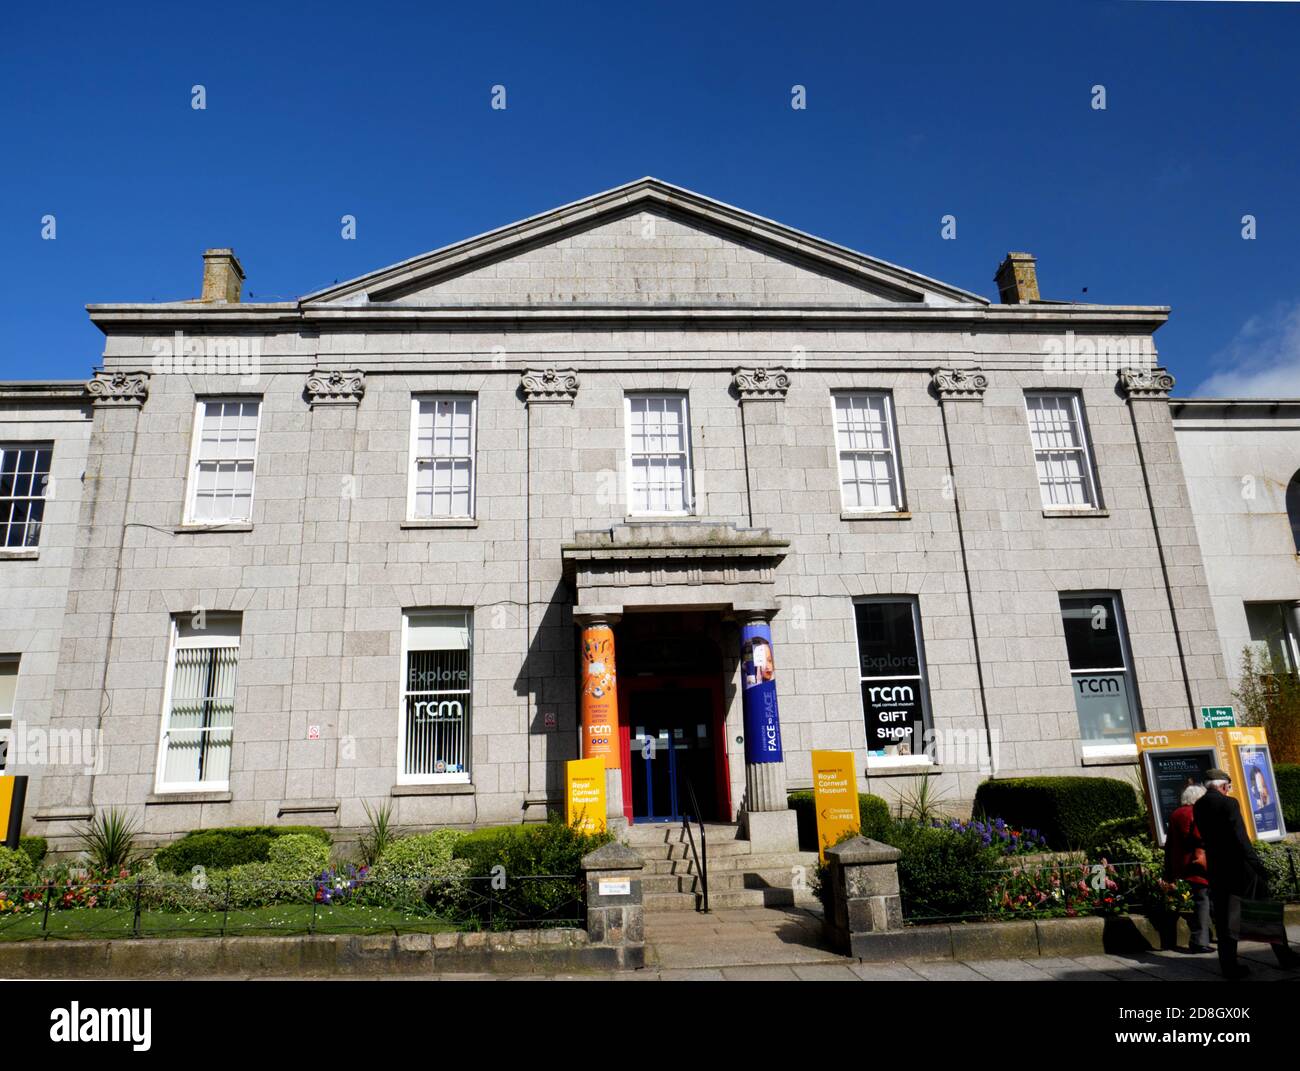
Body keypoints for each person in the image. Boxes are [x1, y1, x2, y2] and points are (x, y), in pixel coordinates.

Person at [1193, 768, 1300, 978]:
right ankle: (1285, 956)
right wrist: (1257, 865)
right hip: (1240, 869)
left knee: (1225, 919)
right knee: (1265, 911)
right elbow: (1240, 838)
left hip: (1218, 869)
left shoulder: (1198, 806)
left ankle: (1229, 966)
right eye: (1228, 787)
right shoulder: (1229, 803)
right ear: (1223, 786)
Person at [1163, 783, 1212, 953]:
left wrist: (1168, 870)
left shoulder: (1176, 814)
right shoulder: (1197, 812)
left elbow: (1170, 844)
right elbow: (1200, 837)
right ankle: (1199, 941)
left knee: (1201, 899)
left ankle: (1203, 937)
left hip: (1181, 865)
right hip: (1198, 864)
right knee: (1203, 900)